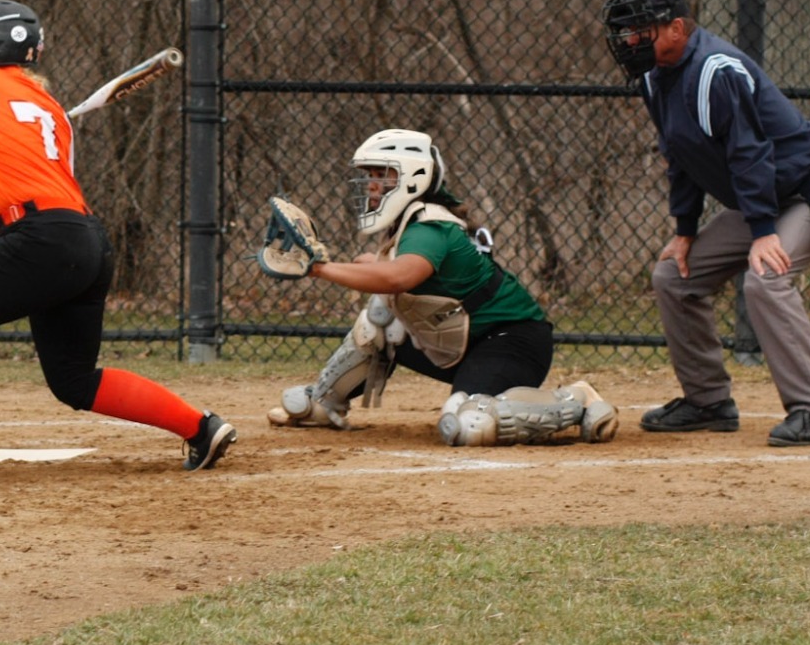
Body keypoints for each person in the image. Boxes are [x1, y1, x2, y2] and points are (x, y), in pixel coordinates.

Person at [0, 0, 236, 483]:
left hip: (43, 238)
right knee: (74, 381)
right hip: (85, 242)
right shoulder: (51, 112)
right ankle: (201, 428)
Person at [601, 0, 810, 448]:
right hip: (762, 200)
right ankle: (708, 402)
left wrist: (764, 231)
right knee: (674, 277)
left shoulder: (715, 70)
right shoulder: (653, 76)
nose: (630, 41)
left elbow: (750, 153)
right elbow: (680, 154)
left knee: (766, 279)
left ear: (677, 29)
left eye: (642, 29)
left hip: (807, 191)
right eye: (627, 31)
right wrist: (685, 230)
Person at [258, 128, 617, 447]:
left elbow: (401, 277)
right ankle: (325, 403)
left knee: (467, 423)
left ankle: (576, 401)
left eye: (381, 174)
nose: (370, 185)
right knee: (381, 319)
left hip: (512, 341)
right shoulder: (409, 225)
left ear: (411, 178)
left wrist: (319, 269)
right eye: (369, 175)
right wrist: (342, 265)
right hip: (464, 340)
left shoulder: (431, 225)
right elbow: (388, 271)